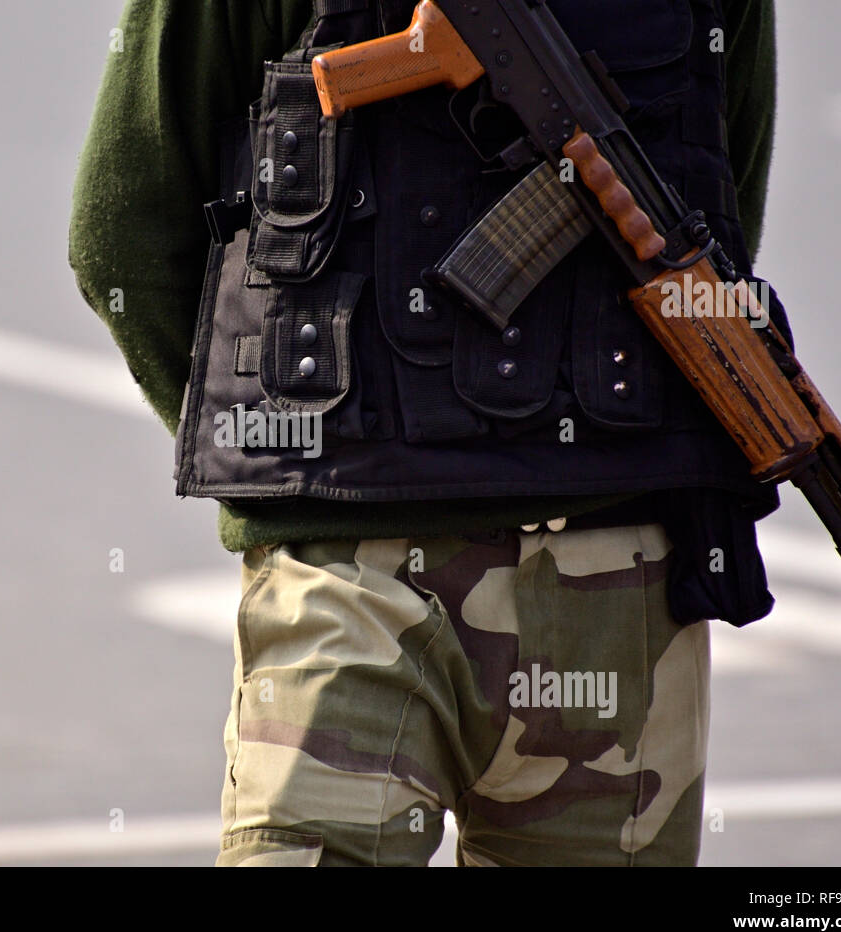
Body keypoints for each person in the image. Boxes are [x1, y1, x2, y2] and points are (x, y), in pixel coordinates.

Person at [70, 0, 782, 866]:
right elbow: (719, 204)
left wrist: (291, 449)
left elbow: (121, 236)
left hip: (351, 579)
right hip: (619, 590)